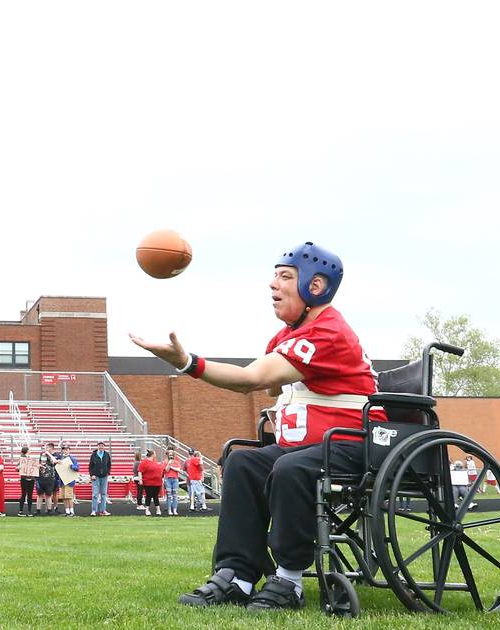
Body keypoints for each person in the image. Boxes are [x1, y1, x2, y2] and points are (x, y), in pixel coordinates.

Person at [131, 241, 384, 612]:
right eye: (274, 276)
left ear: (315, 286)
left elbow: (252, 380)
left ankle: (290, 581)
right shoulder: (289, 336)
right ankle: (238, 574)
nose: (272, 284)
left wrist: (187, 362)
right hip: (311, 446)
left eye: (285, 277)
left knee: (291, 466)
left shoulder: (328, 331)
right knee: (242, 462)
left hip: (353, 443)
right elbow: (272, 387)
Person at [138, 451, 165, 516]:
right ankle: (147, 509)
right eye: (155, 453)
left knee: (156, 496)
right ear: (152, 454)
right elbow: (140, 471)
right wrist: (140, 480)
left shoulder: (154, 462)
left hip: (157, 482)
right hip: (148, 482)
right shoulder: (144, 462)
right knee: (149, 496)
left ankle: (158, 509)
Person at [89, 441, 112, 516]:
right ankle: (94, 510)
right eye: (99, 445)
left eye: (102, 445)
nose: (101, 447)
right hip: (96, 476)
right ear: (97, 446)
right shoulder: (94, 455)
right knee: (95, 494)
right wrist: (92, 474)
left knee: (103, 494)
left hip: (104, 476)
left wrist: (108, 472)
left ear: (104, 446)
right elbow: (90, 466)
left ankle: (103, 510)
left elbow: (109, 464)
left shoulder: (106, 454)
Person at [56, 445, 80, 517]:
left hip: (69, 480)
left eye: (66, 449)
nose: (65, 451)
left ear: (69, 450)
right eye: (64, 450)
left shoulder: (72, 458)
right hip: (62, 480)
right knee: (64, 497)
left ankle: (72, 511)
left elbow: (77, 468)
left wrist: (72, 466)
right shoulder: (61, 458)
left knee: (69, 496)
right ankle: (67, 511)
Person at [36, 442, 58, 515]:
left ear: (51, 448)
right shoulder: (42, 454)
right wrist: (39, 465)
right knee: (39, 494)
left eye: (47, 447)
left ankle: (49, 510)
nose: (45, 449)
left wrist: (49, 454)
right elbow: (39, 463)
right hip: (41, 477)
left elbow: (54, 461)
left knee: (48, 495)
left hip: (50, 478)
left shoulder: (54, 455)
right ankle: (38, 510)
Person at [16, 446, 39, 517]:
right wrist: (19, 467)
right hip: (24, 478)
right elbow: (17, 468)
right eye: (29, 450)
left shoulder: (31, 459)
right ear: (27, 451)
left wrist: (37, 467)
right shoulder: (21, 459)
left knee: (29, 495)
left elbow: (35, 467)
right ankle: (21, 510)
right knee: (24, 494)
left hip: (31, 478)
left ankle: (28, 511)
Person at [164, 451, 182, 516]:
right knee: (169, 495)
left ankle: (174, 510)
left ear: (174, 455)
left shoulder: (177, 462)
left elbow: (178, 470)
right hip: (168, 479)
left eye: (172, 455)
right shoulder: (166, 462)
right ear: (168, 455)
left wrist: (172, 467)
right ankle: (169, 510)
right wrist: (169, 464)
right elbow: (166, 470)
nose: (171, 456)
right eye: (170, 455)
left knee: (175, 495)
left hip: (175, 480)